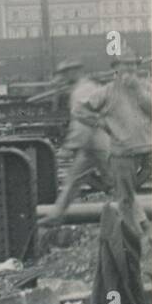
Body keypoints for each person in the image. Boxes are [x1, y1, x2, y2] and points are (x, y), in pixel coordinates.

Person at [77, 57, 152, 250]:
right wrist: (100, 122)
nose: (129, 68)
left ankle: (144, 231)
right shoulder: (107, 91)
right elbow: (80, 110)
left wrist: (139, 90)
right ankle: (136, 241)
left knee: (127, 195)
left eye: (133, 64)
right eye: (124, 64)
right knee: (125, 198)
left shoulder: (143, 87)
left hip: (147, 152)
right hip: (123, 153)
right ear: (116, 69)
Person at [40, 60, 111, 226]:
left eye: (65, 73)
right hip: (92, 146)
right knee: (73, 180)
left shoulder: (83, 90)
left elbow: (82, 124)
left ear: (74, 72)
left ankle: (137, 219)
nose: (63, 77)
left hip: (99, 143)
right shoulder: (83, 88)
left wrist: (69, 147)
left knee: (117, 183)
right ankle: (56, 216)